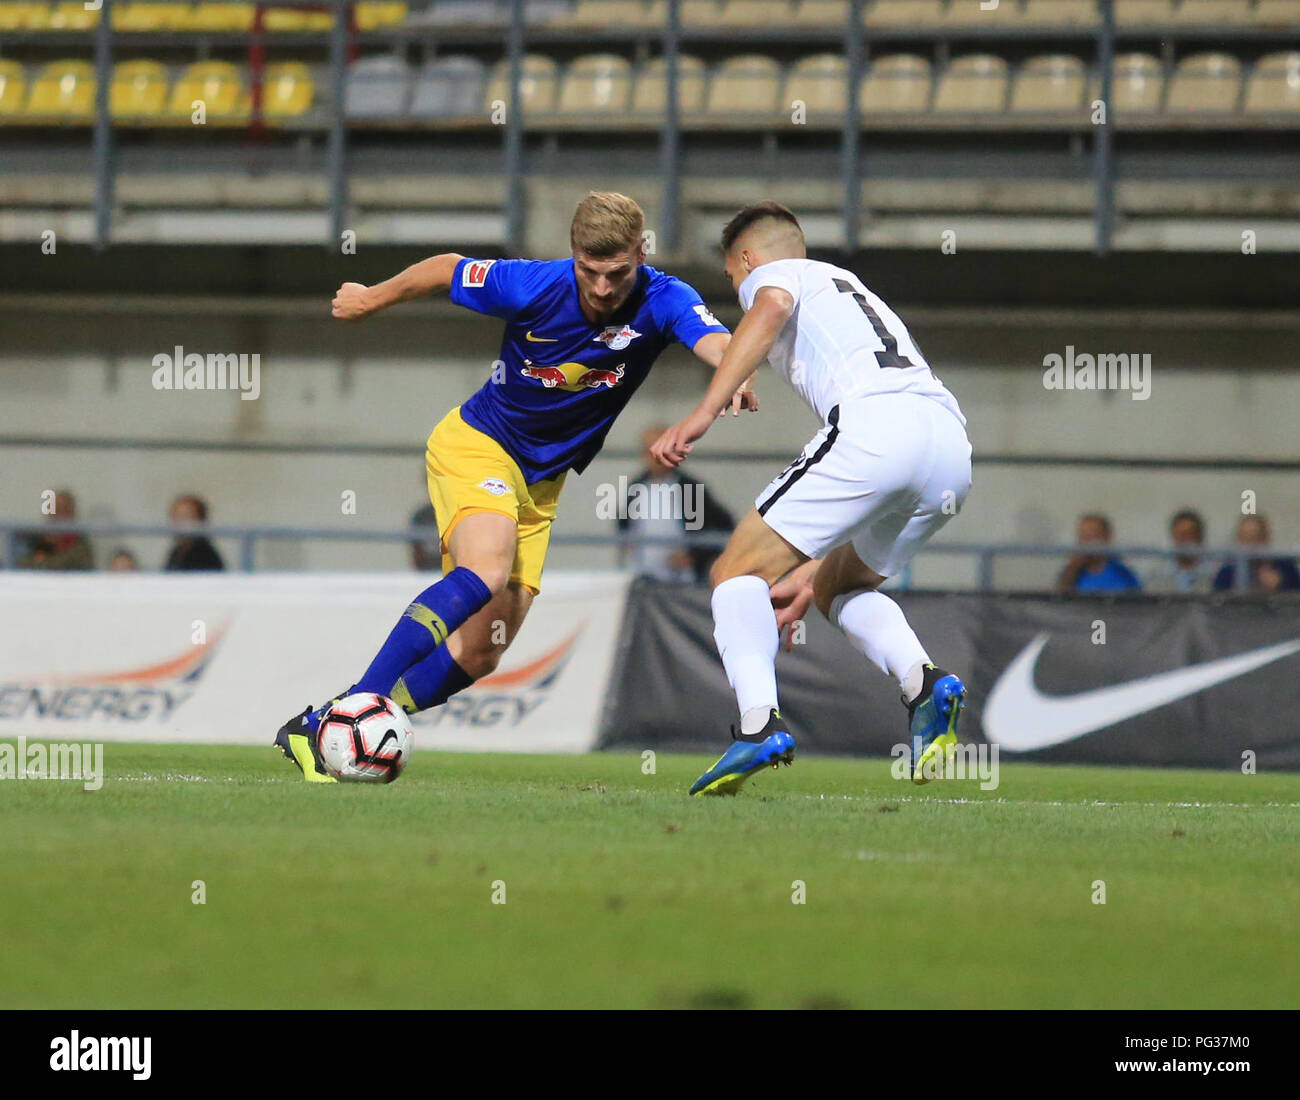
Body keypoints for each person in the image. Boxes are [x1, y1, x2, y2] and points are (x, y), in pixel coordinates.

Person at [274, 191, 754, 782]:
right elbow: (447, 267)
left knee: (481, 652)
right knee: (485, 572)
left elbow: (721, 343)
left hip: (541, 486)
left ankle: (323, 723)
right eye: (591, 272)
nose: (603, 289)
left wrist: (733, 374)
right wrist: (372, 298)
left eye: (618, 274)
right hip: (479, 446)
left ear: (641, 254)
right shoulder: (532, 285)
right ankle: (351, 713)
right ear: (573, 255)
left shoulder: (665, 299)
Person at [653, 201, 972, 795]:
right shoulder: (849, 285)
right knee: (838, 586)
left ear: (746, 259)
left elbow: (769, 307)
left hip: (876, 428)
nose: (737, 289)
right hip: (949, 447)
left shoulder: (772, 280)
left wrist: (702, 413)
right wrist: (809, 570)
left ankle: (758, 726)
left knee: (732, 571)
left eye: (731, 277)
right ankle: (924, 685)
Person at [616, 423, 734, 582]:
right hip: (643, 578)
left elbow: (723, 525)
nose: (654, 457)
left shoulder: (690, 488)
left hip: (681, 581)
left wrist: (693, 556)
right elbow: (623, 524)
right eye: (648, 450)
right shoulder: (636, 487)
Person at [1213, 514, 1300, 593]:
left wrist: (1281, 585)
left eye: (1254, 538)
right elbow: (1218, 602)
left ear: (1266, 539)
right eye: (1243, 538)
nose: (1248, 544)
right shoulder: (1227, 572)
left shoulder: (1286, 568)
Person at [1056, 513, 1140, 594]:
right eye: (1083, 536)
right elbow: (1059, 600)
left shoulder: (1122, 574)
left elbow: (1136, 602)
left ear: (1107, 538)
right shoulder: (1071, 573)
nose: (1087, 542)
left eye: (1092, 536)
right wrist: (1073, 568)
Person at [17, 489, 94, 571]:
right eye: (52, 510)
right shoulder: (35, 541)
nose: (56, 516)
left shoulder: (80, 544)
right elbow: (22, 564)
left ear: (72, 513)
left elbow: (68, 566)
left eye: (63, 510)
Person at [1144, 509, 1214, 594]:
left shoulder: (1213, 575)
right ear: (1173, 537)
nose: (1185, 541)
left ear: (1200, 537)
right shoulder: (1158, 575)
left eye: (1190, 534)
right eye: (1181, 535)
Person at [163, 495, 225, 572]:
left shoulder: (204, 554)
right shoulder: (177, 550)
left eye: (185, 517)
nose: (179, 522)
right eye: (176, 516)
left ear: (200, 520)